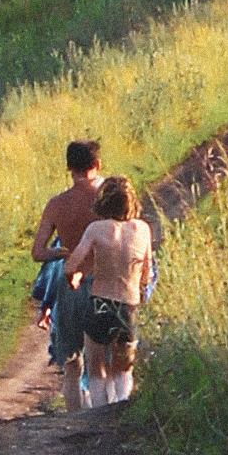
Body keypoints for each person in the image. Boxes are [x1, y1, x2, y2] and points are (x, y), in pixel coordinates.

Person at [67, 170, 153, 411]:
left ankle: (98, 416)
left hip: (100, 303)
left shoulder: (96, 229)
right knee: (123, 368)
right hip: (129, 305)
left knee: (96, 367)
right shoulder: (143, 230)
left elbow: (71, 265)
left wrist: (73, 278)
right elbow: (147, 272)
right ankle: (120, 412)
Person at [30, 135, 107, 402]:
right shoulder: (107, 200)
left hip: (70, 284)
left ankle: (74, 421)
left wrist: (63, 252)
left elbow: (38, 252)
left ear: (69, 167)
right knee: (100, 362)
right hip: (102, 283)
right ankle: (102, 419)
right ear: (97, 165)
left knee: (72, 363)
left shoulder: (57, 204)